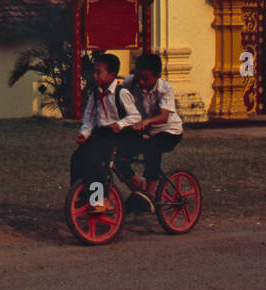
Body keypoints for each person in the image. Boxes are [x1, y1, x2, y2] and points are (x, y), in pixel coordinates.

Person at [115, 52, 183, 208]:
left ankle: (151, 192)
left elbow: (164, 116)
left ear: (158, 76)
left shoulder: (165, 89)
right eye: (138, 76)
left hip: (169, 131)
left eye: (145, 78)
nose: (140, 81)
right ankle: (138, 185)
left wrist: (146, 121)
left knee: (152, 149)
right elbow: (118, 94)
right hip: (144, 129)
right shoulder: (130, 82)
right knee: (119, 155)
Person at [72, 53, 140, 208]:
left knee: (98, 161)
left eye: (99, 72)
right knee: (77, 157)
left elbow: (135, 116)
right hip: (101, 133)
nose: (95, 76)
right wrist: (84, 133)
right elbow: (89, 118)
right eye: (94, 72)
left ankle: (101, 198)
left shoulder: (121, 93)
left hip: (119, 135)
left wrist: (120, 124)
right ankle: (81, 195)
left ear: (112, 75)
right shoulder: (95, 94)